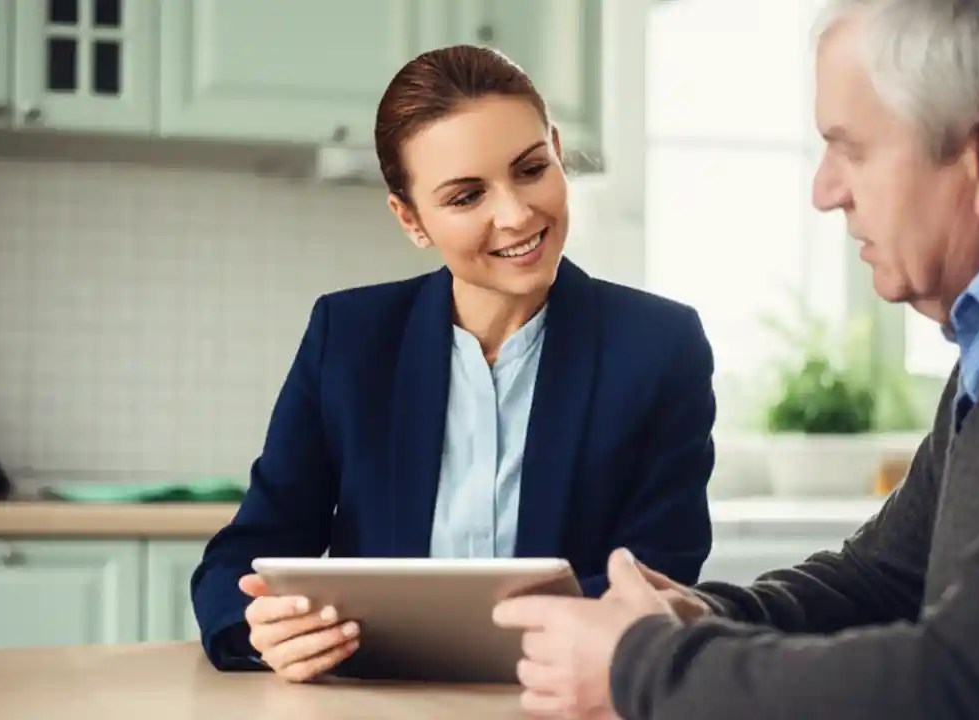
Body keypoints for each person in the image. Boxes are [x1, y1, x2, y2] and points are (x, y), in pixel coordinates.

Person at [493, 1, 979, 717]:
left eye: (851, 149)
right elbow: (888, 577)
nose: (825, 190)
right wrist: (702, 618)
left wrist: (640, 667)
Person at [190, 45, 718, 682]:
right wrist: (261, 630)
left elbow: (665, 569)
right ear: (410, 218)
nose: (517, 214)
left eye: (530, 169)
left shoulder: (661, 345)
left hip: (563, 699)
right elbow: (244, 555)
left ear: (555, 148)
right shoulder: (350, 338)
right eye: (467, 196)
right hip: (372, 703)